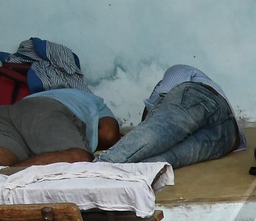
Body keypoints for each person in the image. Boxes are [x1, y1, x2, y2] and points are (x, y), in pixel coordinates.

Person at [96, 64, 243, 169]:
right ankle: (103, 176)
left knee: (155, 134)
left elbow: (157, 127)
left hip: (204, 98)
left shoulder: (177, 72)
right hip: (229, 138)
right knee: (150, 164)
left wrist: (147, 125)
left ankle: (94, 170)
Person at [0, 88, 119, 168]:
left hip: (4, 113)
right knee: (79, 158)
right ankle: (11, 174)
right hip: (44, 113)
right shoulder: (92, 100)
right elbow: (109, 134)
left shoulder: (35, 95)